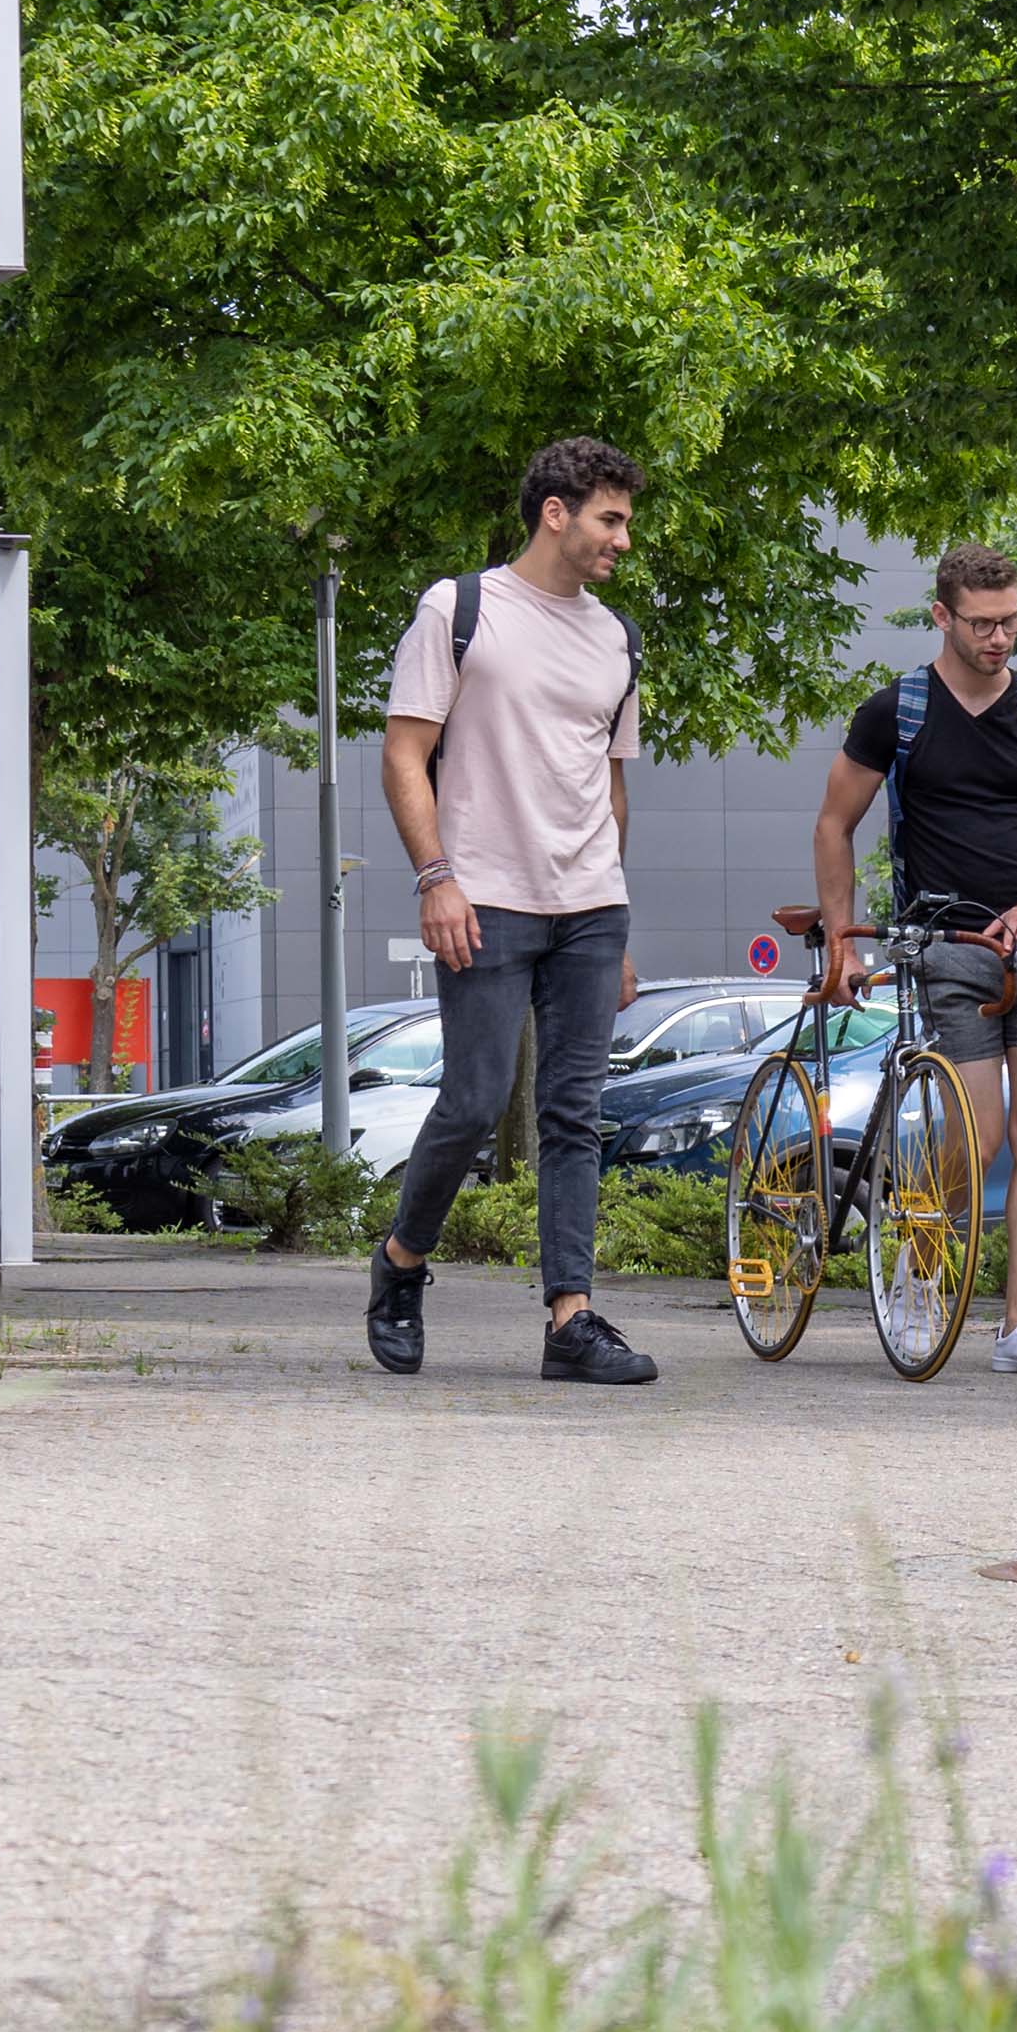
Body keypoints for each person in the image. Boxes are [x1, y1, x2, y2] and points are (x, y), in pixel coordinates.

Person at [365, 436, 657, 1386]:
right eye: (610, 518)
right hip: (482, 895)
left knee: (575, 1112)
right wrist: (434, 876)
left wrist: (617, 915)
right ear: (556, 511)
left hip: (589, 907)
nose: (623, 538)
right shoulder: (461, 609)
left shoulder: (617, 637)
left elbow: (609, 787)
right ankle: (403, 1260)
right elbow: (405, 754)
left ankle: (570, 1319)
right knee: (475, 1101)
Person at [812, 541, 1017, 1376]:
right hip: (949, 941)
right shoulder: (897, 711)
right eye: (983, 623)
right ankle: (919, 1261)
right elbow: (833, 823)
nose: (999, 637)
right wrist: (841, 937)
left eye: (1012, 620)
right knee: (977, 1133)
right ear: (942, 616)